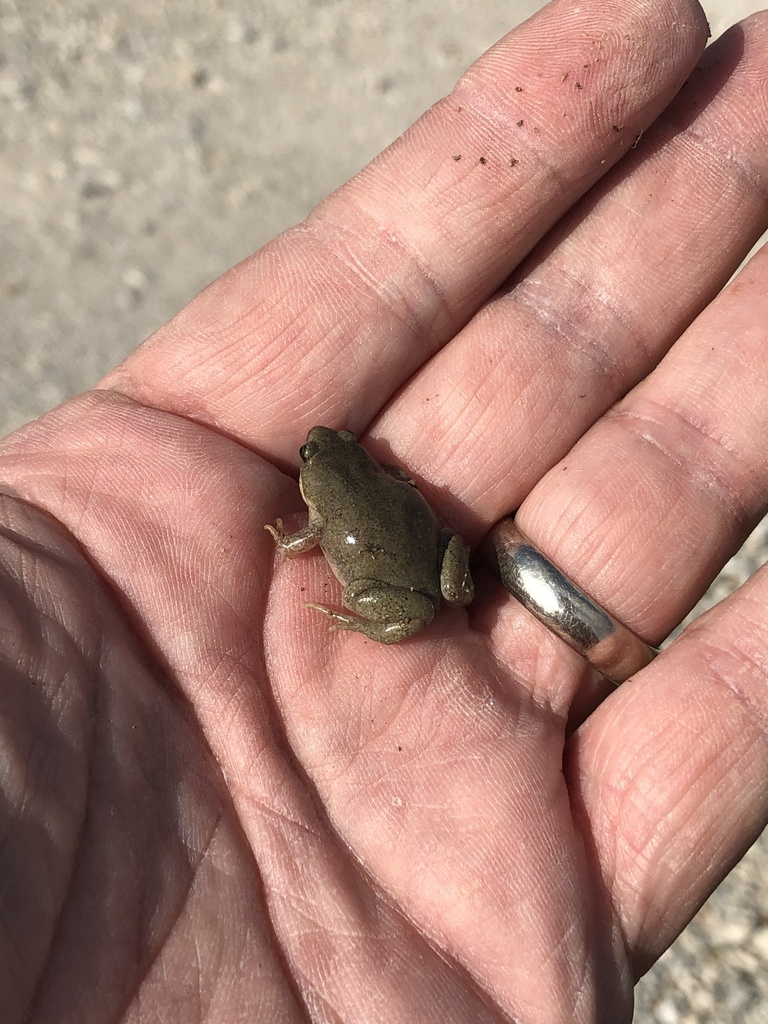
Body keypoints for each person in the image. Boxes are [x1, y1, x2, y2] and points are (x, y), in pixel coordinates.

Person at [3, 0, 767, 1020]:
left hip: (405, 582)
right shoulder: (354, 484)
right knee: (427, 576)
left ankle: (375, 610)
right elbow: (370, 516)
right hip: (427, 564)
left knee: (402, 593)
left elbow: (303, 536)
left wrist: (306, 551)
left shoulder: (319, 510)